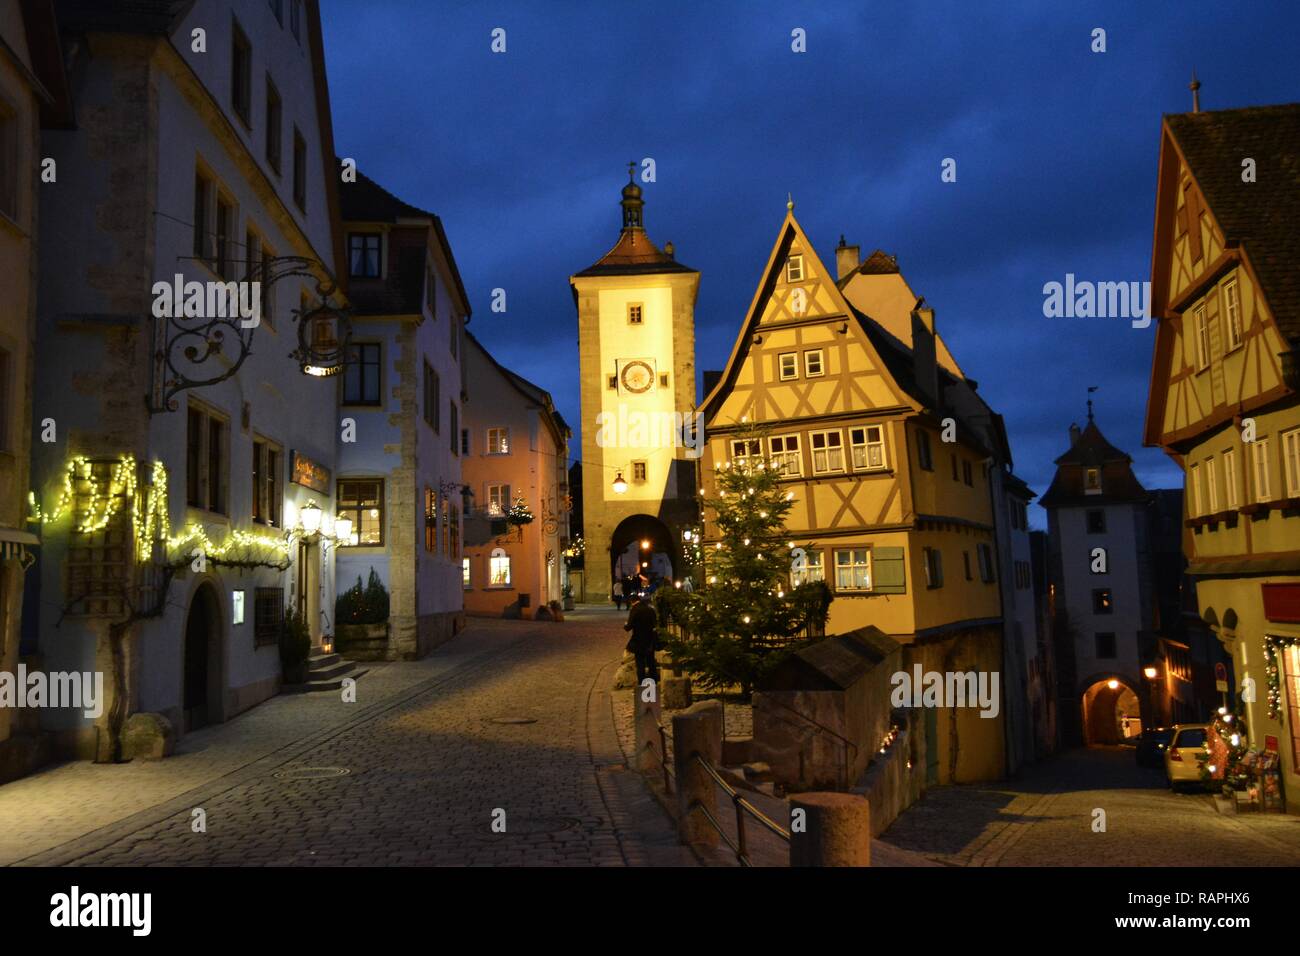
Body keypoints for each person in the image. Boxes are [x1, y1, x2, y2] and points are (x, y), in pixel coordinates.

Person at [623, 596, 660, 685]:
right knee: (651, 662)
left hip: (638, 640)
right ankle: (654, 682)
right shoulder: (650, 609)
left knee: (640, 664)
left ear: (632, 602)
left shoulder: (635, 610)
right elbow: (655, 624)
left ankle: (642, 684)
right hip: (650, 640)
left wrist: (625, 625)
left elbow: (629, 627)